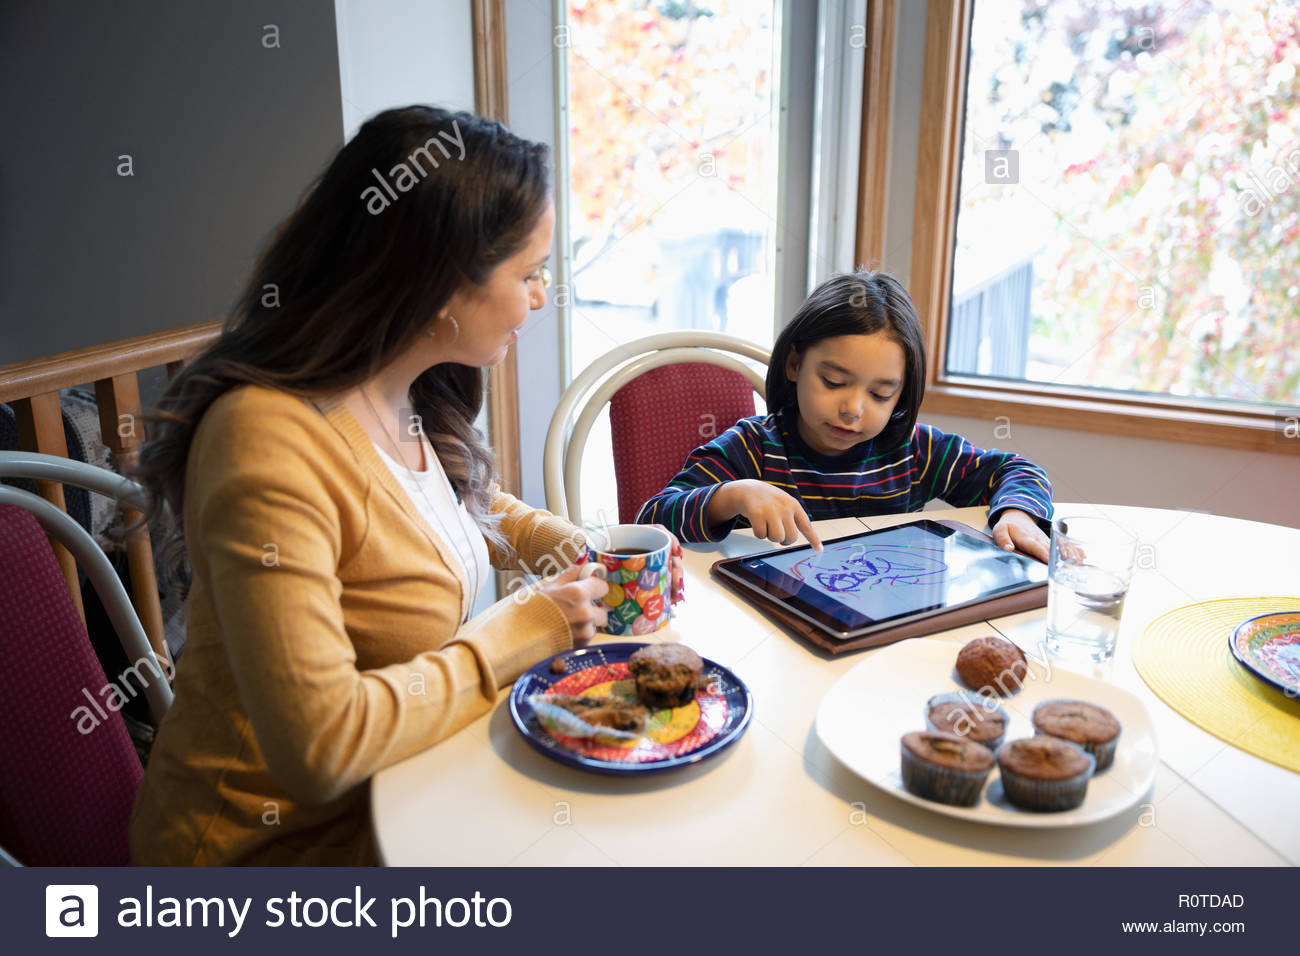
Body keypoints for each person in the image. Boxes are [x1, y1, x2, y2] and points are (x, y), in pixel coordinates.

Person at [129, 105, 680, 865]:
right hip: (274, 855)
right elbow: (321, 746)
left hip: (413, 791)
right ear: (441, 282)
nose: (540, 296)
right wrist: (519, 633)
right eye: (528, 273)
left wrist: (579, 546)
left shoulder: (401, 391)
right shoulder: (266, 439)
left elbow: (452, 506)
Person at [636, 271, 1053, 560]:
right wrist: (732, 495)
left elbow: (1018, 471)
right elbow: (651, 521)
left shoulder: (913, 451)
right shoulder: (754, 448)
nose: (853, 408)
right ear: (795, 364)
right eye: (834, 381)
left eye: (880, 393)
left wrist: (1015, 512)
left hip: (882, 628)